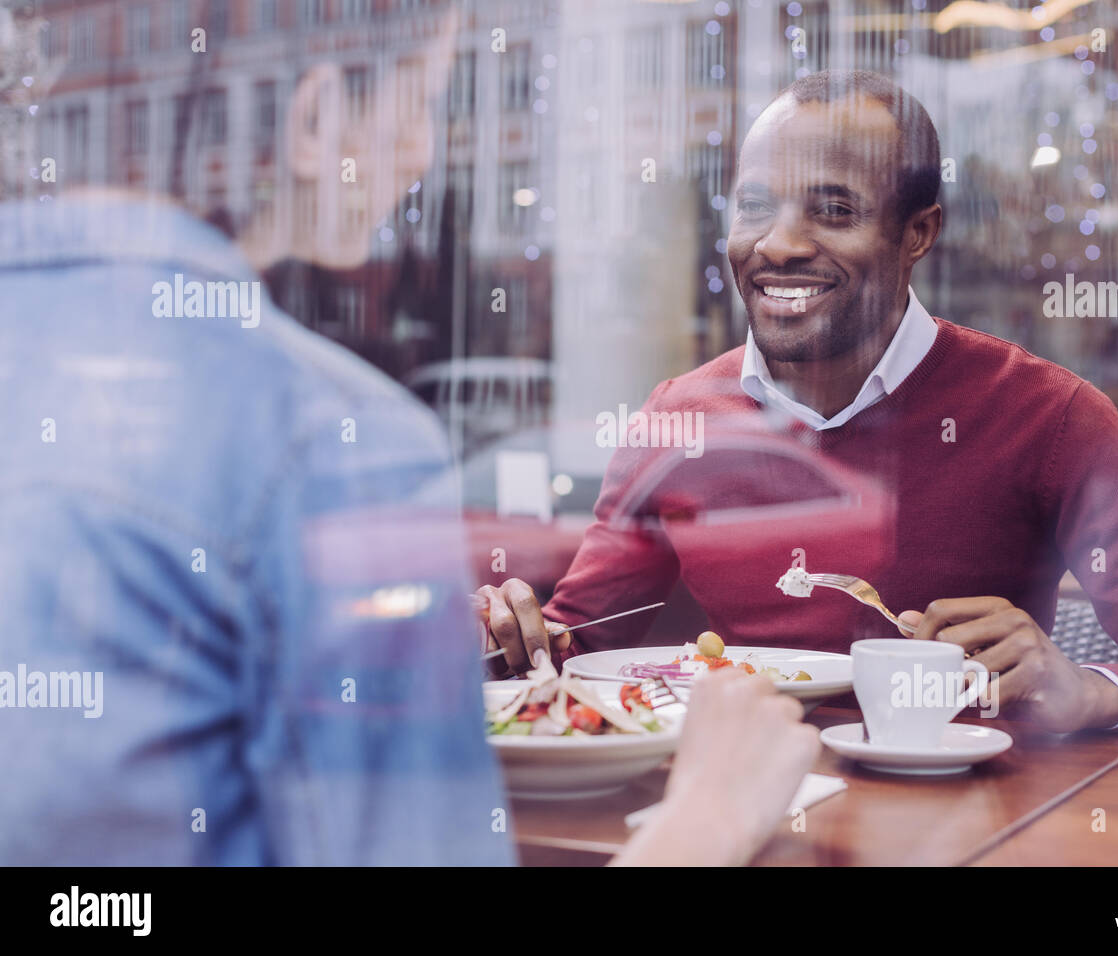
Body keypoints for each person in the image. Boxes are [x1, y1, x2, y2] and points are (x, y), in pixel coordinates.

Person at [0, 8, 818, 866]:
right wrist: (711, 818)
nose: (424, 152)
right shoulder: (336, 442)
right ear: (317, 120)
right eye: (423, 99)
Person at [479, 70, 1118, 740]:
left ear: (918, 233)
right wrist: (508, 642)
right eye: (756, 205)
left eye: (833, 210)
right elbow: (575, 654)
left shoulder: (1049, 417)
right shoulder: (678, 419)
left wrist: (1084, 689)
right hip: (739, 826)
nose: (780, 244)